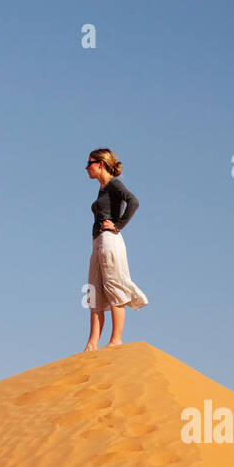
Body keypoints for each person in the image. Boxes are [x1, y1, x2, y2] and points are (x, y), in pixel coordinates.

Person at [84, 148, 148, 351]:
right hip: (98, 243)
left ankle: (115, 340)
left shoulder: (113, 184)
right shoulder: (103, 189)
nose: (86, 168)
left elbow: (133, 201)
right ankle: (92, 344)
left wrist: (118, 225)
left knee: (114, 287)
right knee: (94, 292)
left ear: (100, 164)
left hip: (110, 241)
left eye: (89, 163)